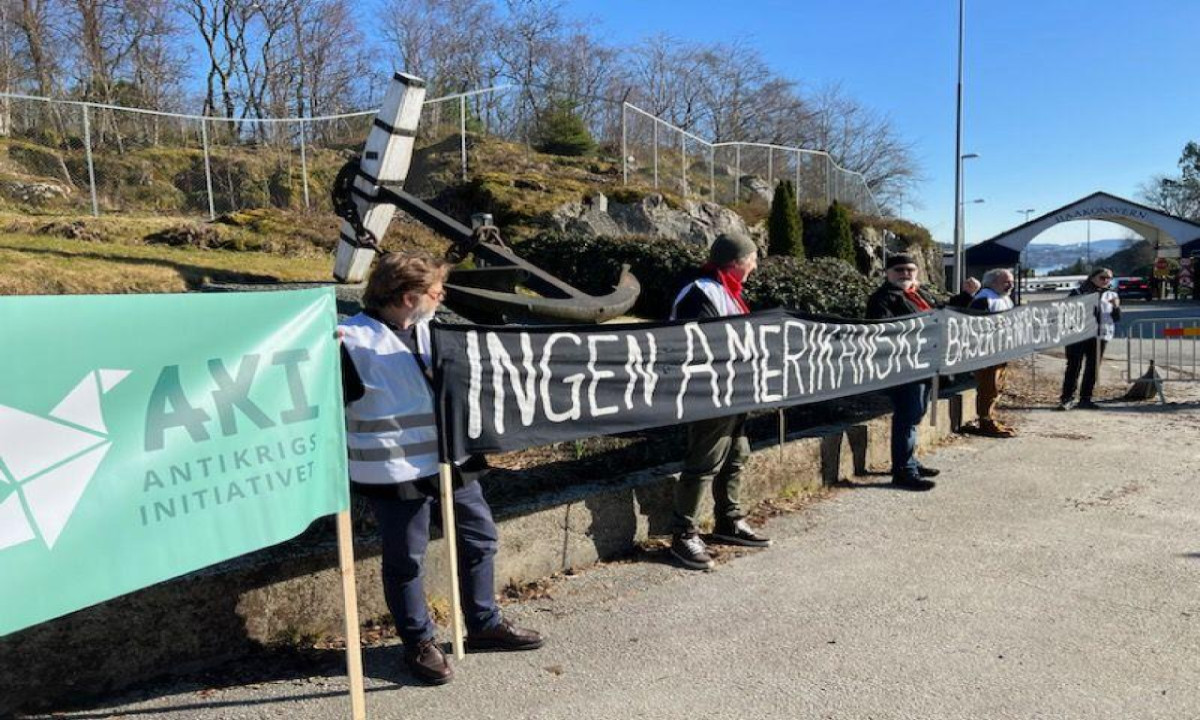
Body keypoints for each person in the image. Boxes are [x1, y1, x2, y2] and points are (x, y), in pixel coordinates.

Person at [340, 251, 543, 685]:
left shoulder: (435, 330)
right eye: (436, 291)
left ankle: (484, 623)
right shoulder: (350, 341)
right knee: (406, 561)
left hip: (452, 460)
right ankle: (419, 642)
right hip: (395, 472)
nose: (443, 297)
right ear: (409, 297)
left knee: (480, 539)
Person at [668, 232, 771, 570]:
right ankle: (683, 534)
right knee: (704, 460)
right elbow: (700, 343)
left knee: (736, 454)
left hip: (734, 391)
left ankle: (729, 520)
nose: (755, 266)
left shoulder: (725, 291)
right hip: (710, 393)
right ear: (737, 261)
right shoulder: (701, 292)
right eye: (753, 258)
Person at [866, 253, 940, 491]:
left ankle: (910, 461)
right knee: (907, 417)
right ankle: (904, 471)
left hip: (925, 363)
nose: (905, 274)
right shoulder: (882, 298)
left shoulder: (918, 294)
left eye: (910, 270)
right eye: (899, 270)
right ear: (887, 273)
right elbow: (880, 330)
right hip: (904, 367)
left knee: (916, 414)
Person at [1058, 267, 1121, 410]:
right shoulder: (1078, 292)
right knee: (1074, 366)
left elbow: (1116, 318)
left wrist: (1116, 307)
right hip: (1078, 335)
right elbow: (1067, 312)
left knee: (1093, 367)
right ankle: (1067, 398)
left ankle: (1086, 398)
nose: (1106, 281)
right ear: (1093, 277)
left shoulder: (1111, 294)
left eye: (1109, 278)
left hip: (1100, 335)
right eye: (1102, 278)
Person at [968, 268, 1017, 438]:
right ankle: (985, 422)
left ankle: (991, 418)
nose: (1011, 285)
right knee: (988, 387)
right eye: (1006, 282)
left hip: (1002, 350)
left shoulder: (1004, 298)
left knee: (997, 387)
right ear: (993, 282)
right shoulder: (984, 299)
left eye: (1011, 281)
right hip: (988, 352)